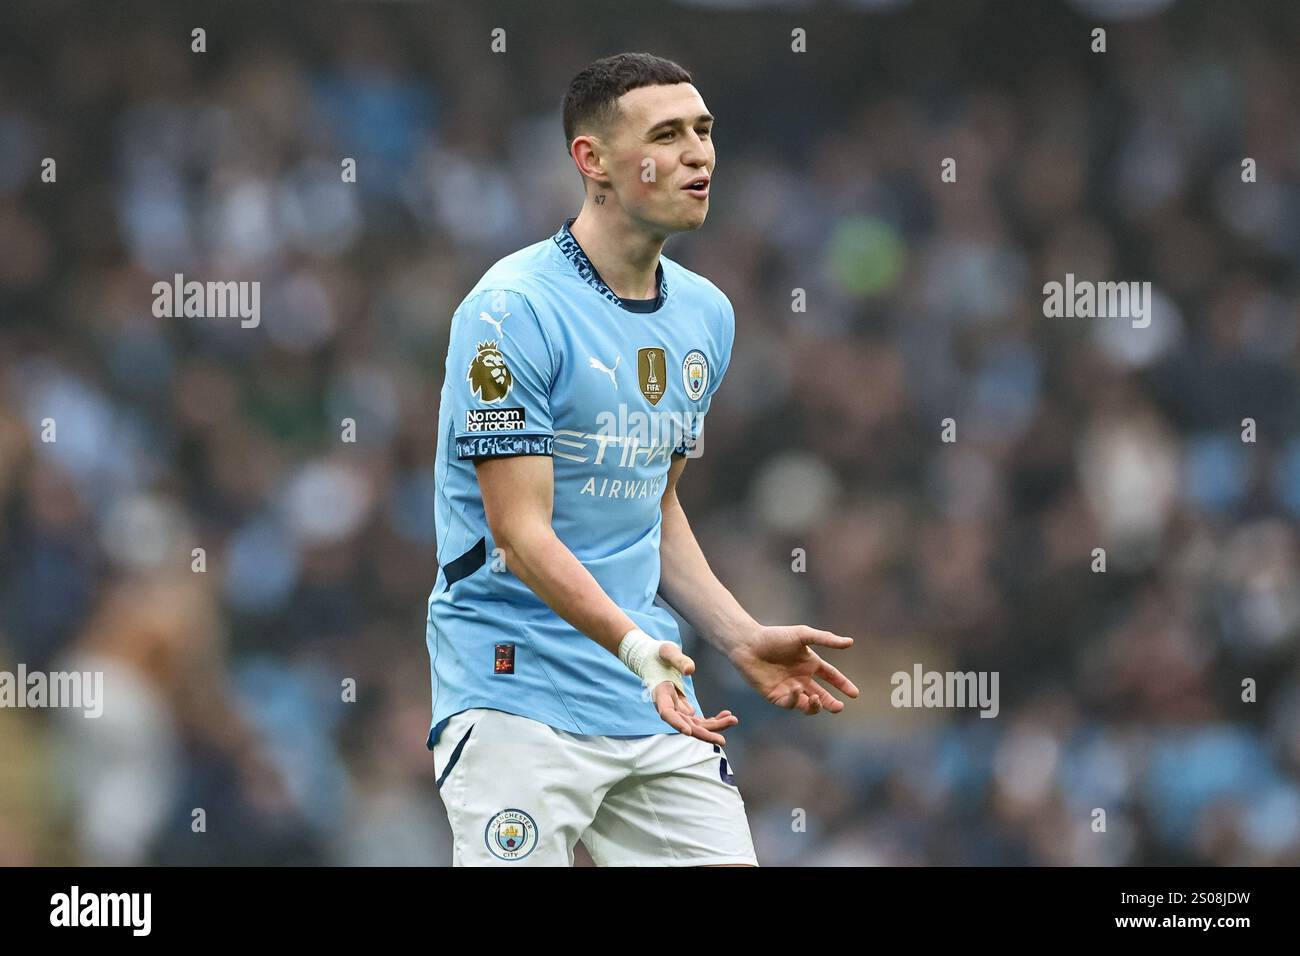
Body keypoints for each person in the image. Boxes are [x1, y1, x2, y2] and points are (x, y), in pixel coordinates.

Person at [425, 52, 858, 866]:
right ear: (592, 162)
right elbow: (520, 535)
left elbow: (651, 506)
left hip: (654, 701)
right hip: (515, 692)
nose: (700, 153)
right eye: (668, 134)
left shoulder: (706, 316)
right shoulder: (510, 312)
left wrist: (735, 634)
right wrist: (635, 647)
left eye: (704, 130)